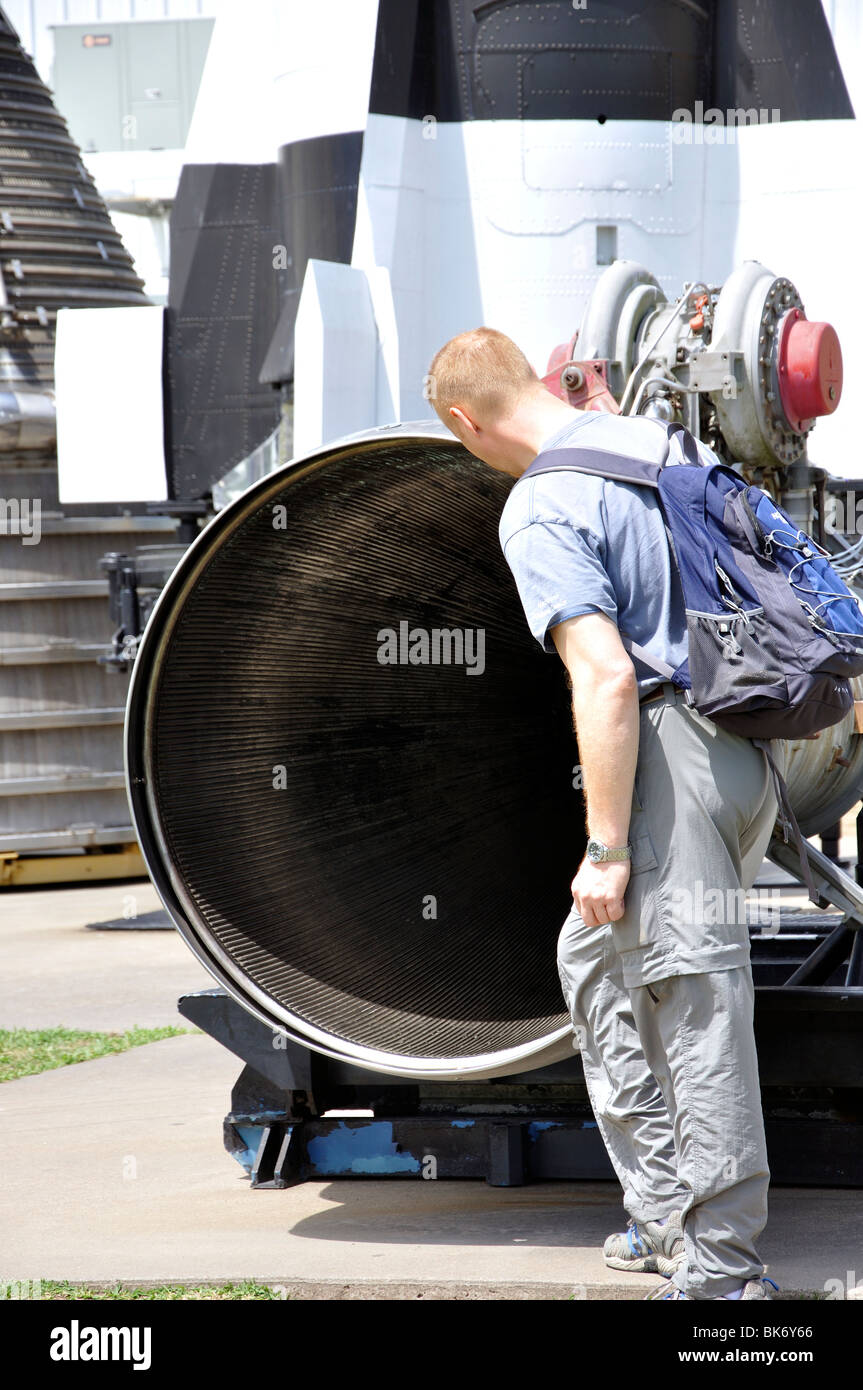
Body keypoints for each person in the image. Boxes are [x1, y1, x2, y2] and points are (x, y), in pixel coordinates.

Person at [426, 325, 787, 1301]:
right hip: (745, 753)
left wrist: (607, 846)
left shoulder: (540, 504)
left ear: (464, 420)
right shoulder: (651, 443)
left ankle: (722, 1272)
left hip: (672, 755)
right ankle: (666, 1209)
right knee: (589, 959)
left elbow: (606, 681)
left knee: (691, 1006)